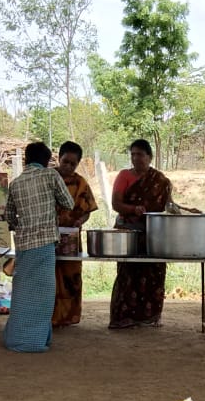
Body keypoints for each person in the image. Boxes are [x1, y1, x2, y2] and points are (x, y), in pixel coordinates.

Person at [3, 141, 74, 353]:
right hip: (44, 245)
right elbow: (68, 203)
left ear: (26, 160)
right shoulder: (51, 175)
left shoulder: (15, 183)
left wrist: (22, 226)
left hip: (23, 245)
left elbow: (9, 216)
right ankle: (34, 340)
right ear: (46, 161)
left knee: (23, 292)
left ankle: (17, 336)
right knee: (43, 295)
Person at [109, 139, 173, 329]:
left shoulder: (160, 180)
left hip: (153, 233)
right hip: (129, 232)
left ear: (150, 157)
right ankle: (124, 317)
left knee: (154, 271)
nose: (136, 158)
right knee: (128, 273)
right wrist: (133, 208)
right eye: (133, 154)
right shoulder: (124, 176)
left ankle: (150, 316)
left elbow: (168, 205)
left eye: (140, 154)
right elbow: (116, 204)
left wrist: (183, 209)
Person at [52, 141, 98, 327]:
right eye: (65, 162)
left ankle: (69, 317)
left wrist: (81, 221)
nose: (68, 167)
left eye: (73, 164)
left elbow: (87, 210)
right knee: (51, 278)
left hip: (71, 238)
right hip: (49, 236)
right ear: (58, 158)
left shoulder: (81, 183)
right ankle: (52, 317)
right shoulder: (49, 177)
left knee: (72, 278)